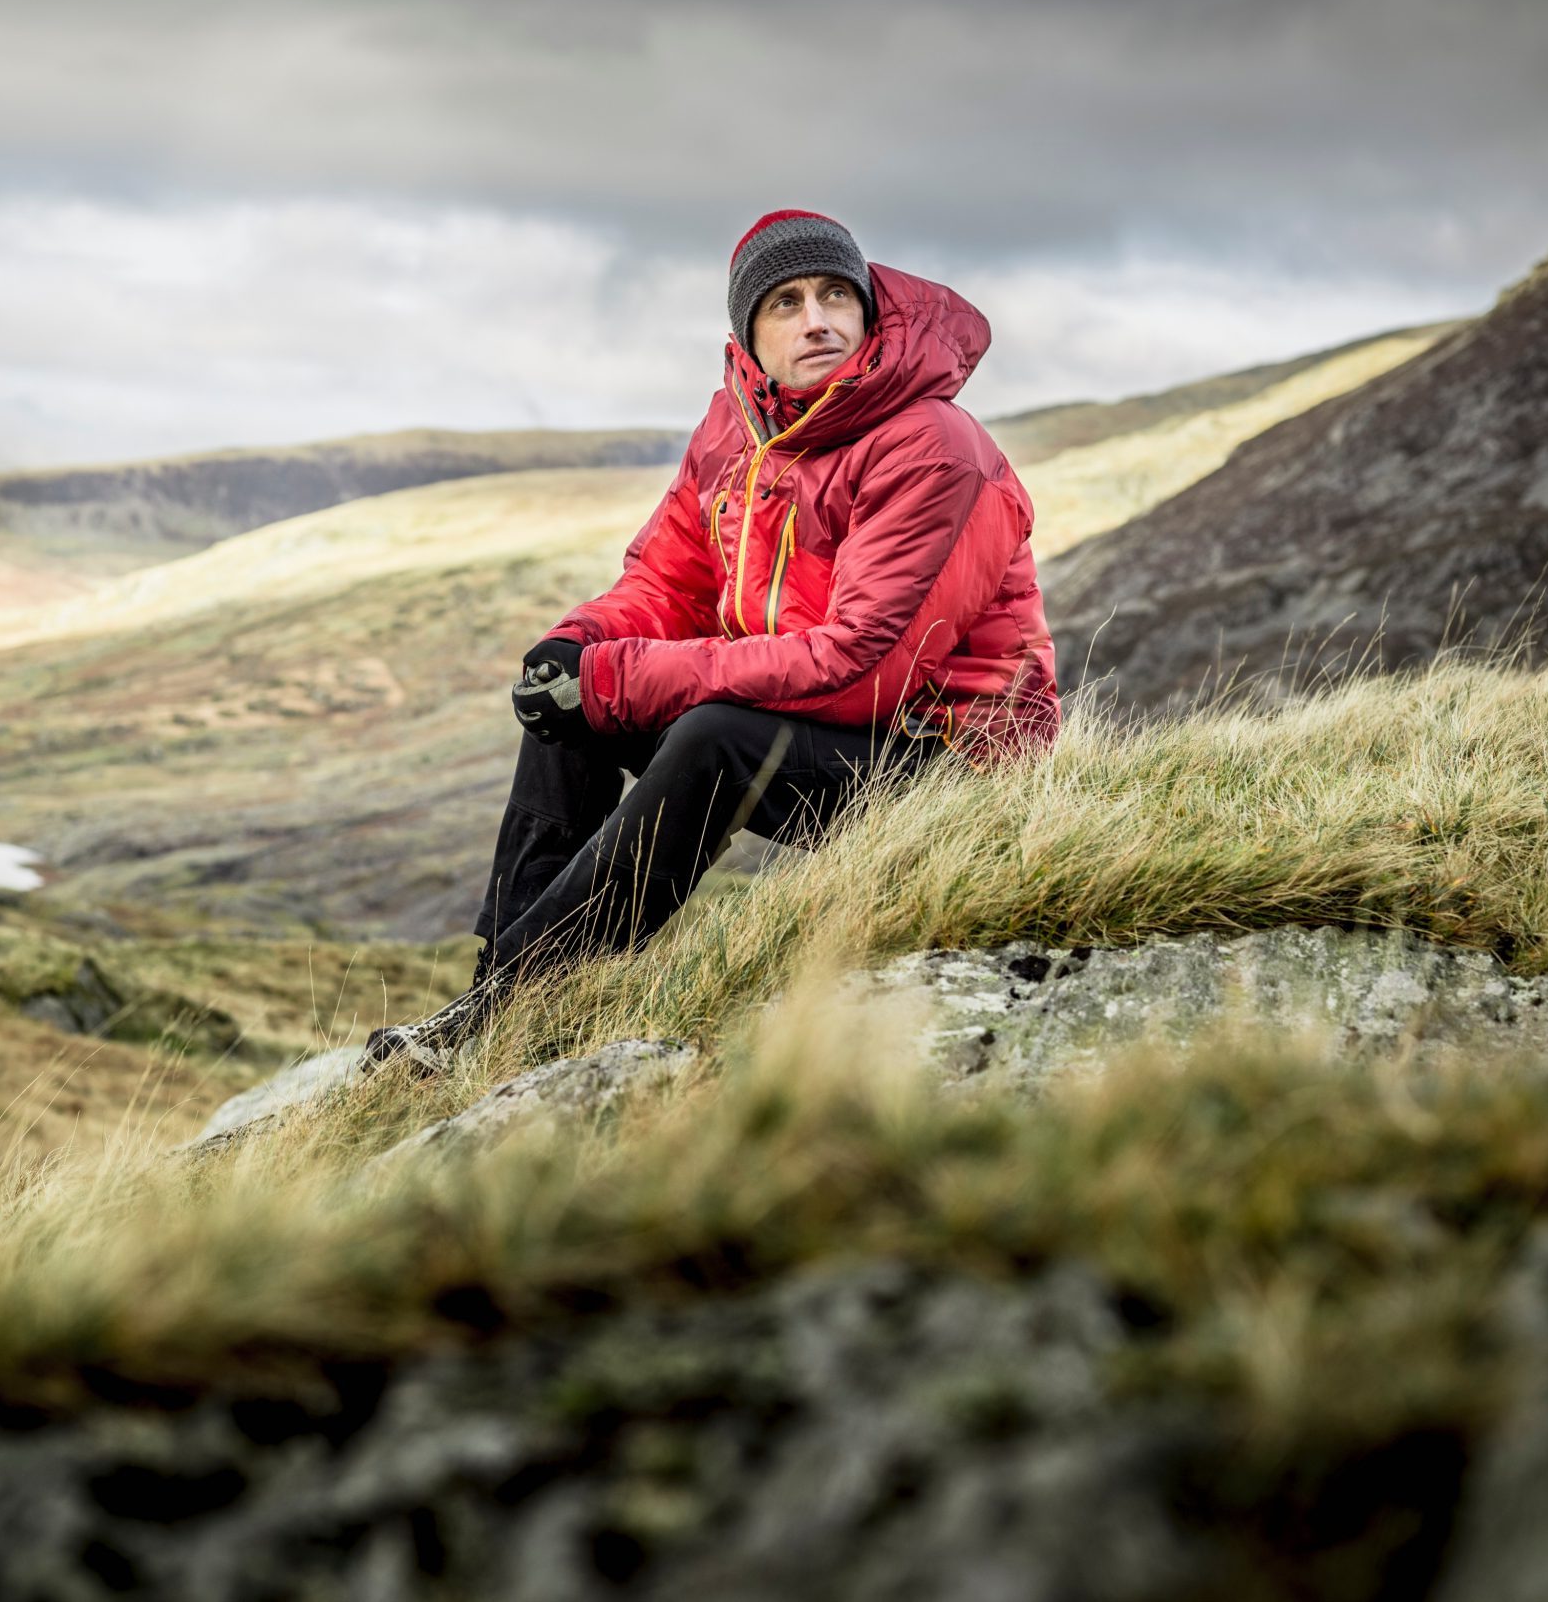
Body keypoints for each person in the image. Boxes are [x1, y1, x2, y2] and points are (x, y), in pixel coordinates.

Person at [365, 209, 1058, 1071]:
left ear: (870, 311)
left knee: (713, 737)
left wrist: (621, 676)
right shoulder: (737, 430)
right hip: (824, 728)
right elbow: (668, 582)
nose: (819, 320)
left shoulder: (932, 446)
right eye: (788, 302)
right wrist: (576, 647)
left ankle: (500, 1010)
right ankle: (496, 1006)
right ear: (747, 333)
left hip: (952, 763)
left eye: (839, 295)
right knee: (570, 711)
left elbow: (861, 668)